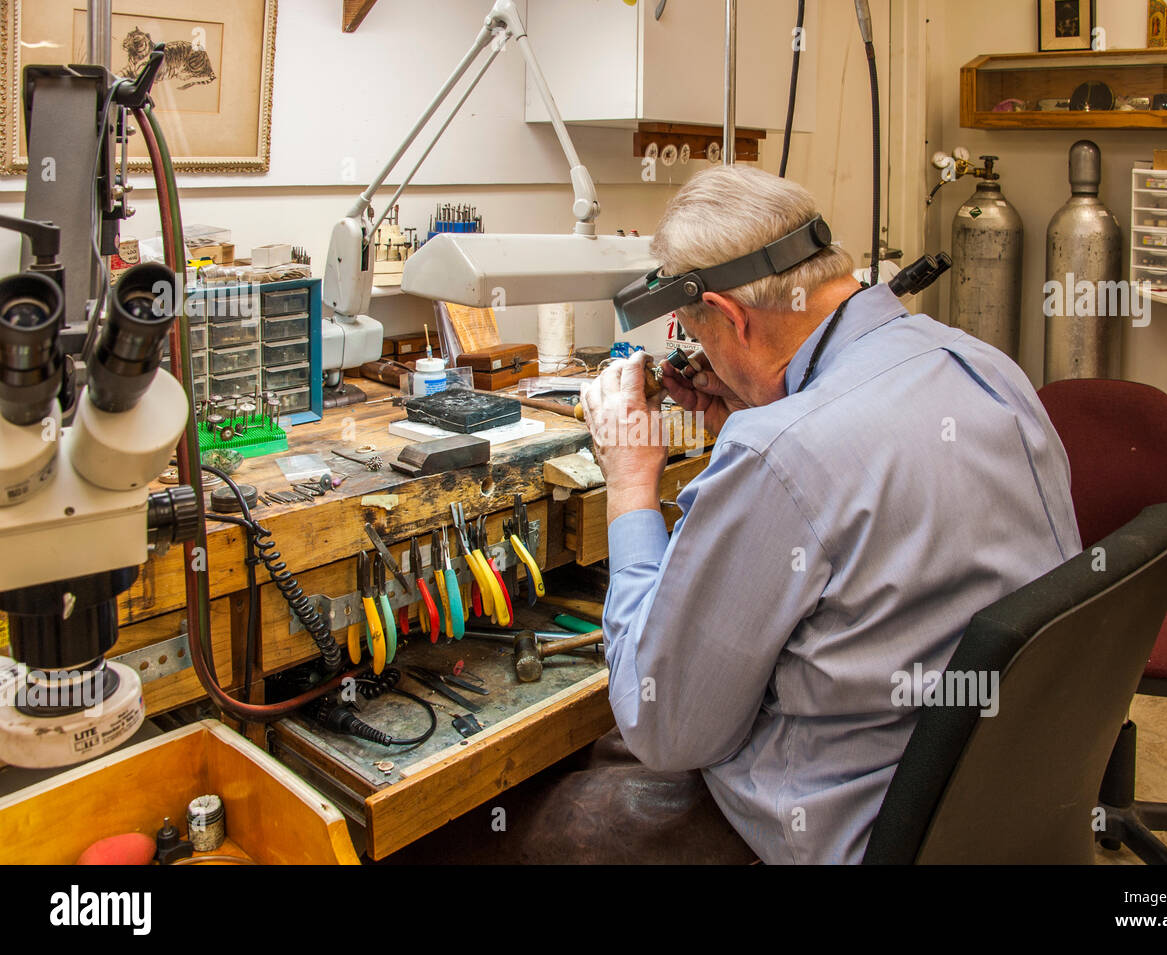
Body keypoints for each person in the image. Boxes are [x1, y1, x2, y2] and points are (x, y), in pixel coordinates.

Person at [399, 166, 1080, 865]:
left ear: (730, 316)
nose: (705, 363)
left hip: (853, 829)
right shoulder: (988, 367)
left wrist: (632, 483)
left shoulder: (779, 455)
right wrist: (762, 407)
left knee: (502, 821)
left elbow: (662, 726)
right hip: (1002, 803)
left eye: (703, 339)